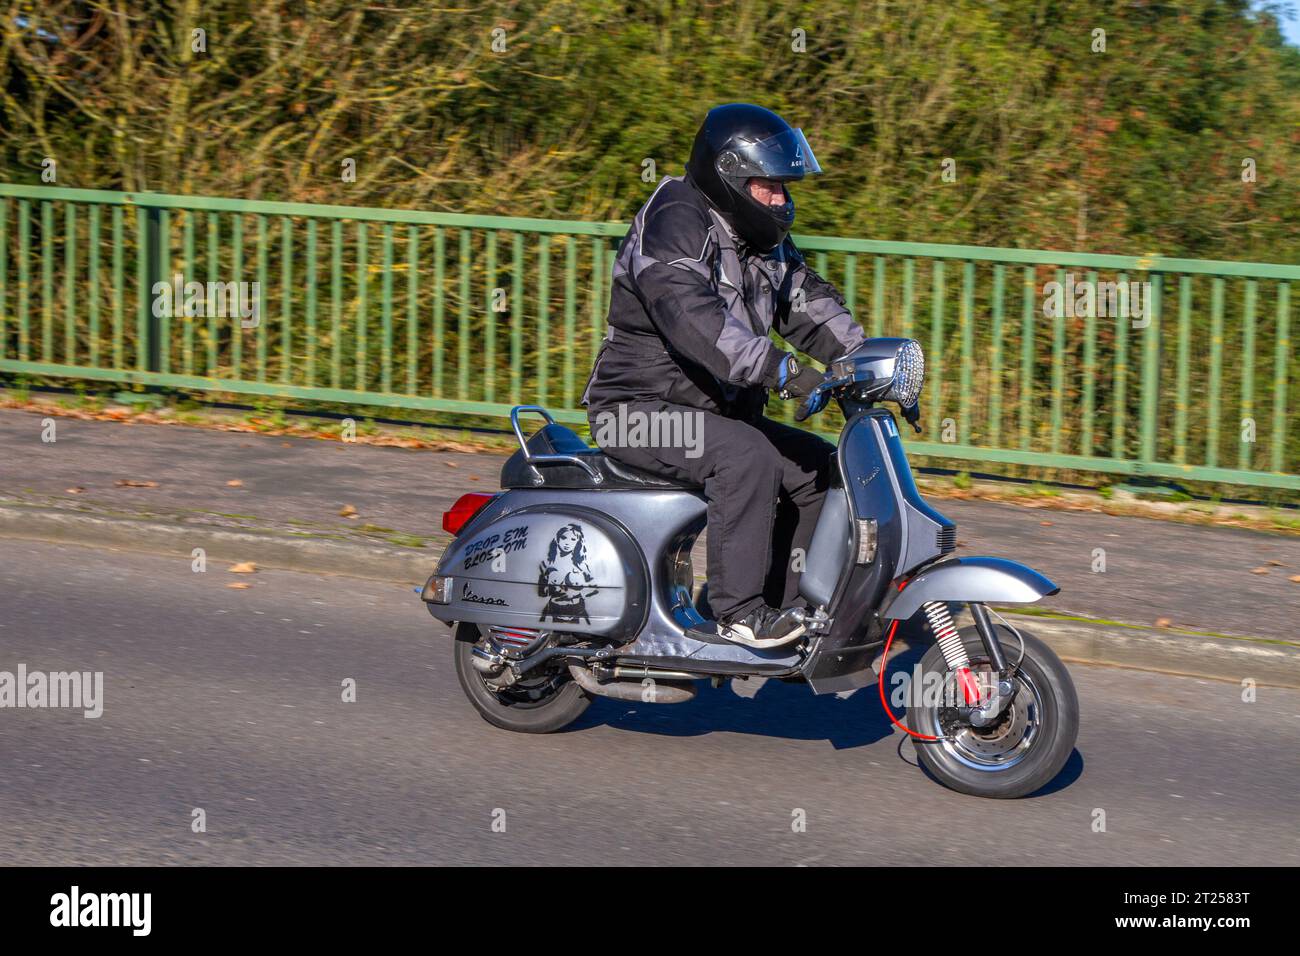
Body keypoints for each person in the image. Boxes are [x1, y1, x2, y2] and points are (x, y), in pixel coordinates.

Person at [581, 103, 867, 648]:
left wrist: (871, 359)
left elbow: (806, 304)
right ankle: (737, 612)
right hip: (633, 413)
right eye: (770, 187)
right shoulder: (674, 220)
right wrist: (780, 369)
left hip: (710, 415)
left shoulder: (755, 238)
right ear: (730, 175)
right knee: (746, 455)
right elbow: (695, 320)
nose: (782, 200)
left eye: (785, 187)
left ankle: (790, 612)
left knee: (821, 470)